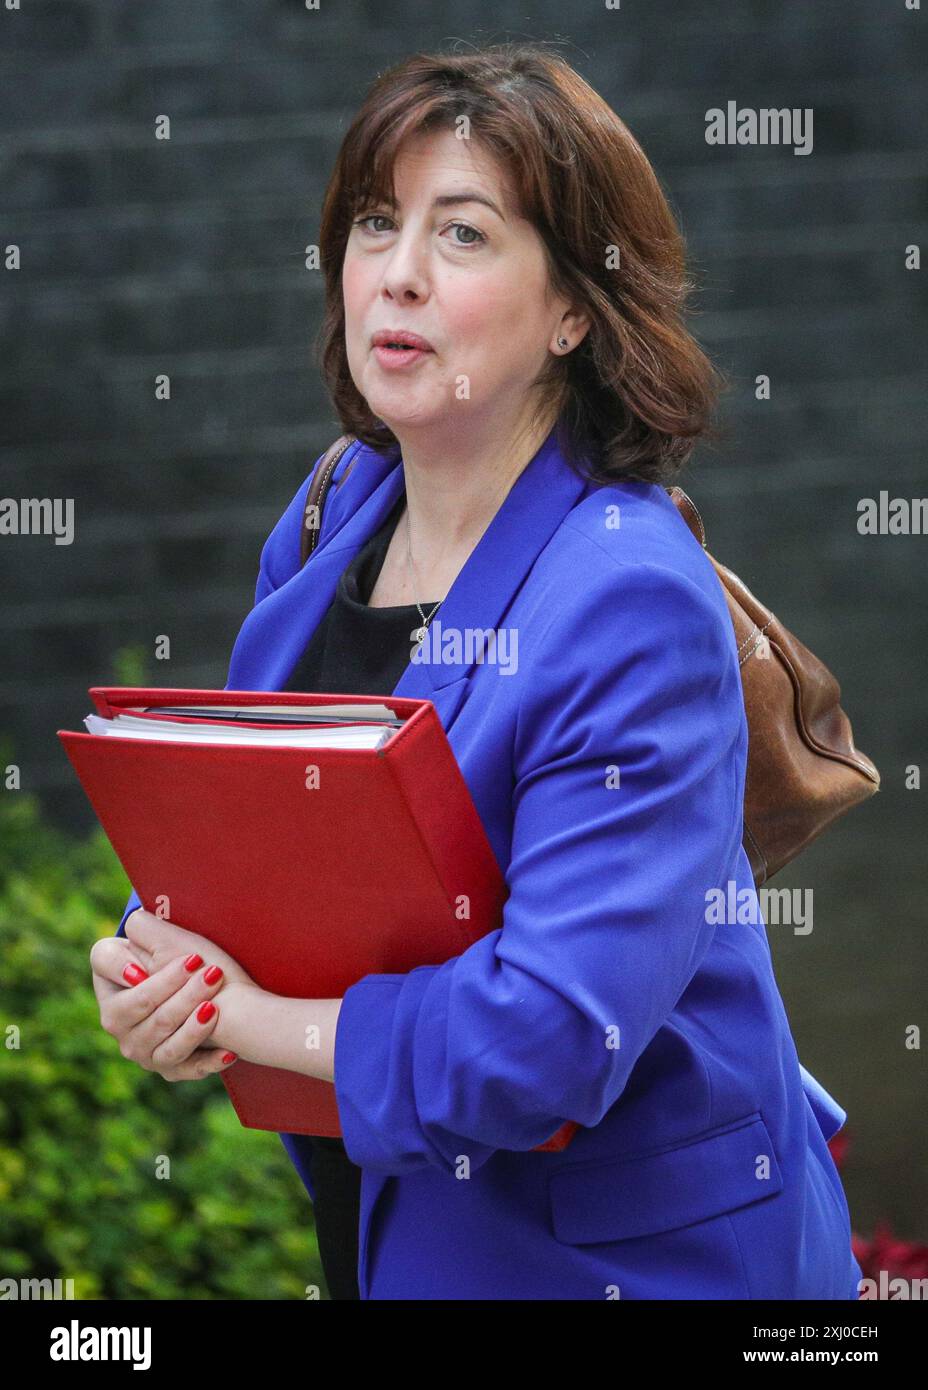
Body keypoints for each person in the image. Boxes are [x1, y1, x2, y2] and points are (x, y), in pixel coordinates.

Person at [90, 44, 862, 1301]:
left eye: (462, 235)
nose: (394, 273)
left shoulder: (624, 596)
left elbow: (548, 1038)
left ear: (572, 306)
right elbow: (276, 844)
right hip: (394, 1226)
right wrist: (156, 962)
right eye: (377, 223)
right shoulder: (333, 512)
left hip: (628, 1262)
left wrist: (247, 1022)